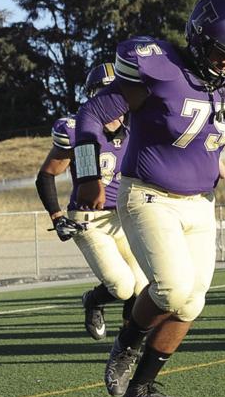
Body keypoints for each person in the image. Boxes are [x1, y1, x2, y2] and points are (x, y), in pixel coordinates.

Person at [75, 0, 225, 397]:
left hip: (201, 203)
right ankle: (125, 345)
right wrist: (86, 174)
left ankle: (142, 386)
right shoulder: (161, 69)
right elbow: (91, 116)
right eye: (222, 53)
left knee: (192, 301)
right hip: (149, 195)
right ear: (197, 38)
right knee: (171, 290)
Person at [37, 64, 147, 339]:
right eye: (106, 92)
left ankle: (127, 342)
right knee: (122, 286)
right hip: (89, 220)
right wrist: (56, 216)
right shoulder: (77, 131)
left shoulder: (137, 127)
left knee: (143, 285)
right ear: (94, 96)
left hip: (124, 216)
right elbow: (46, 175)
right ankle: (93, 300)